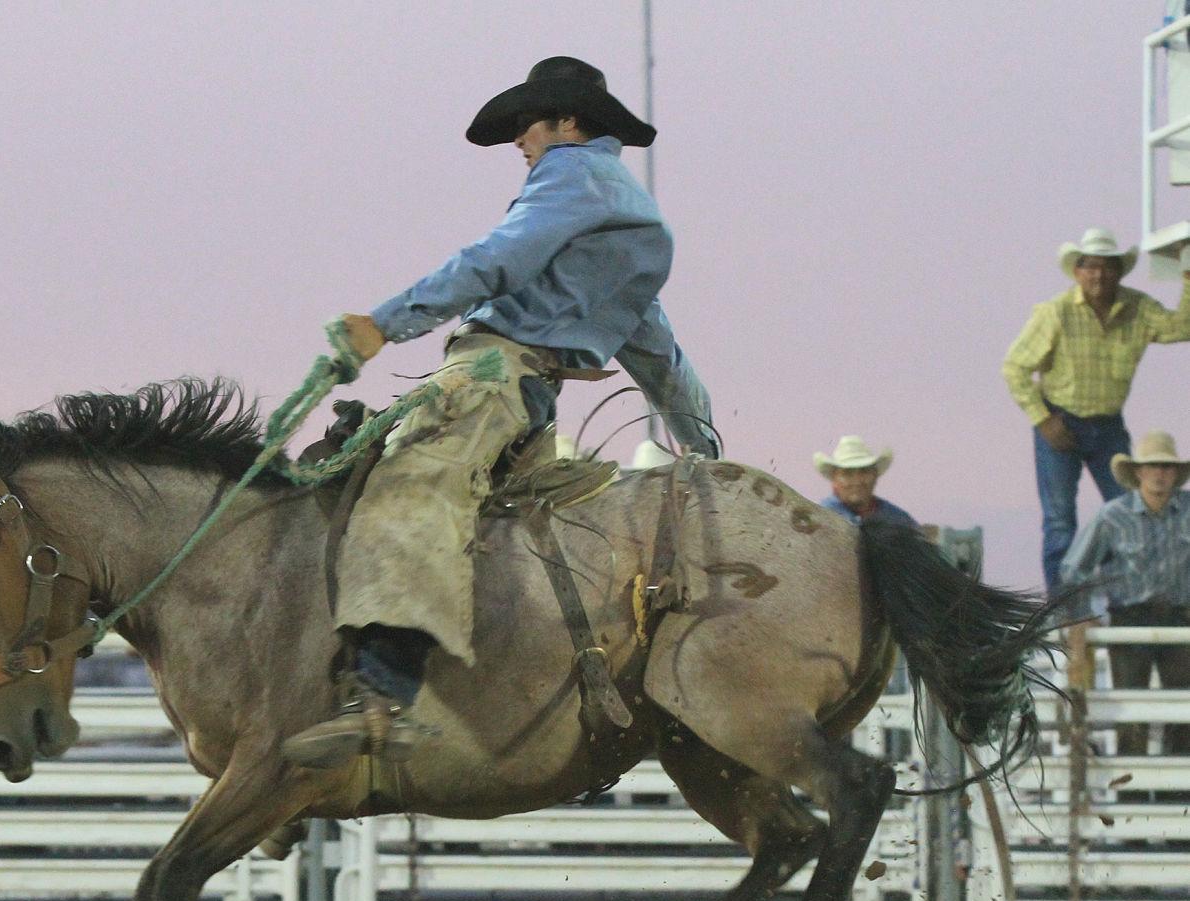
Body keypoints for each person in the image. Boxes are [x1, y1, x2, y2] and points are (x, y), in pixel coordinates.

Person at [284, 56, 716, 768]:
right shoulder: (628, 224)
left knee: (410, 492)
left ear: (568, 123)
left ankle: (381, 695)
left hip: (491, 378)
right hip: (533, 400)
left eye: (528, 126)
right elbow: (660, 357)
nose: (520, 143)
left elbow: (496, 259)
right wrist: (704, 450)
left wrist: (384, 324)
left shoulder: (569, 176)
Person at [1002, 229, 1190, 591]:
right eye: (1090, 266)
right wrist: (1042, 419)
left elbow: (1182, 327)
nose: (1098, 275)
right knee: (1060, 521)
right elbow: (1014, 367)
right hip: (1060, 421)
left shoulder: (1138, 308)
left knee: (1130, 512)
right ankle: (1064, 614)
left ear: (1119, 271)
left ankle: (1136, 599)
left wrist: (1188, 276)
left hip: (1107, 425)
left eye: (1106, 267)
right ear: (1077, 271)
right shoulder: (1056, 312)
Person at [1060, 430, 1190, 756]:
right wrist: (1084, 615)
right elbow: (1074, 568)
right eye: (1152, 466)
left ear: (1175, 473)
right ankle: (1131, 795)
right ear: (1138, 472)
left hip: (1181, 619)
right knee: (1129, 711)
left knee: (1184, 710)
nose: (1159, 473)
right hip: (1130, 620)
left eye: (1166, 466)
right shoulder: (1113, 516)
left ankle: (1179, 797)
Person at [814, 435, 920, 529]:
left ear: (875, 476)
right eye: (847, 473)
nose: (857, 481)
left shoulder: (897, 519)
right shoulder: (819, 520)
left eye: (864, 471)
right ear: (834, 479)